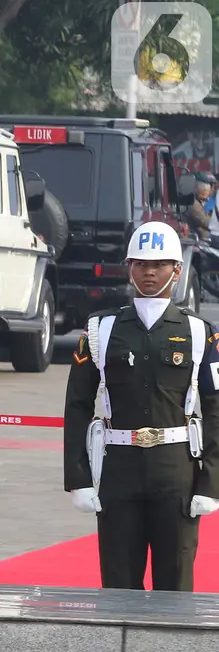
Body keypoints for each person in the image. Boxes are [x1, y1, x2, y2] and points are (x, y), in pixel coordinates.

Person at [64, 221, 219, 591]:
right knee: (118, 583)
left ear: (177, 269)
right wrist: (79, 479)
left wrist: (211, 482)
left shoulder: (201, 332)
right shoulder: (100, 330)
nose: (150, 272)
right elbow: (77, 406)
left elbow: (215, 410)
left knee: (176, 583)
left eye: (161, 264)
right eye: (141, 263)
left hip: (175, 468)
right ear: (129, 267)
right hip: (119, 468)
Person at [186, 172, 215, 242]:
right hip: (194, 241)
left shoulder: (198, 202)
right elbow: (208, 223)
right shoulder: (193, 203)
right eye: (209, 186)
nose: (212, 190)